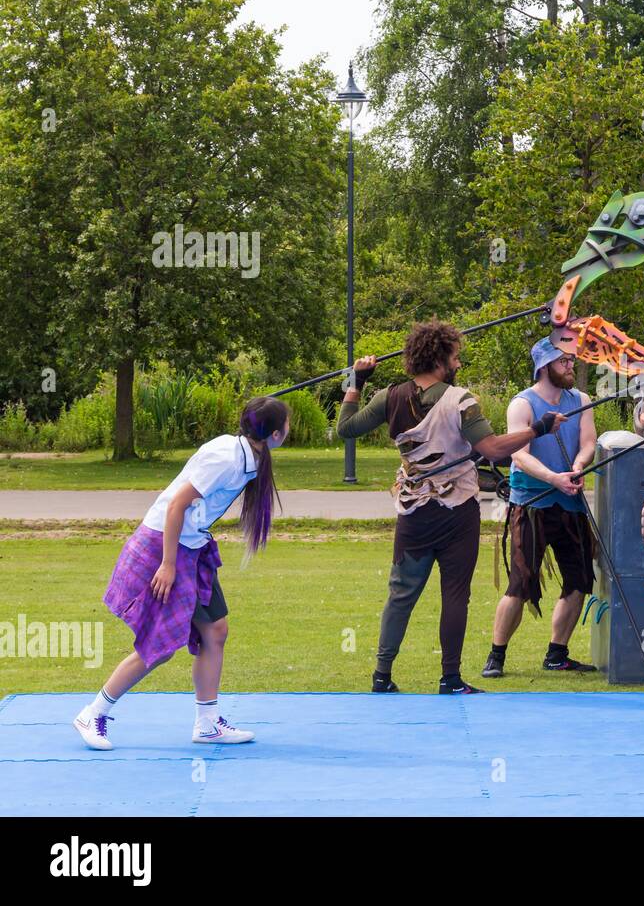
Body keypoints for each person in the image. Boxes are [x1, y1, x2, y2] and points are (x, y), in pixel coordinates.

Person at [339, 319, 569, 695]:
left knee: (401, 594)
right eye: (455, 358)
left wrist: (357, 381)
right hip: (456, 512)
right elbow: (492, 449)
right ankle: (451, 679)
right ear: (440, 358)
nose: (458, 365)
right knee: (455, 594)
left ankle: (382, 676)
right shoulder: (460, 400)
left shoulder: (389, 397)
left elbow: (346, 428)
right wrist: (539, 428)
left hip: (413, 512)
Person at [74, 397, 291, 750]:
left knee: (215, 630)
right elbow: (177, 505)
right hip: (165, 546)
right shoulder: (225, 459)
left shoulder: (248, 457)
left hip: (191, 547)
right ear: (276, 434)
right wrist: (168, 564)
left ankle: (207, 724)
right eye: (288, 425)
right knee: (159, 647)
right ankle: (92, 713)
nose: (290, 430)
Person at [483, 337, 598, 678]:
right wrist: (553, 478)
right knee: (520, 584)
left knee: (579, 580)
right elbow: (518, 454)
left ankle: (556, 653)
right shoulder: (522, 404)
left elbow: (588, 441)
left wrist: (577, 466)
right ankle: (496, 655)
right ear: (544, 366)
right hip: (532, 503)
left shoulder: (582, 400)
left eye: (571, 360)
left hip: (570, 502)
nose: (570, 366)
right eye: (563, 361)